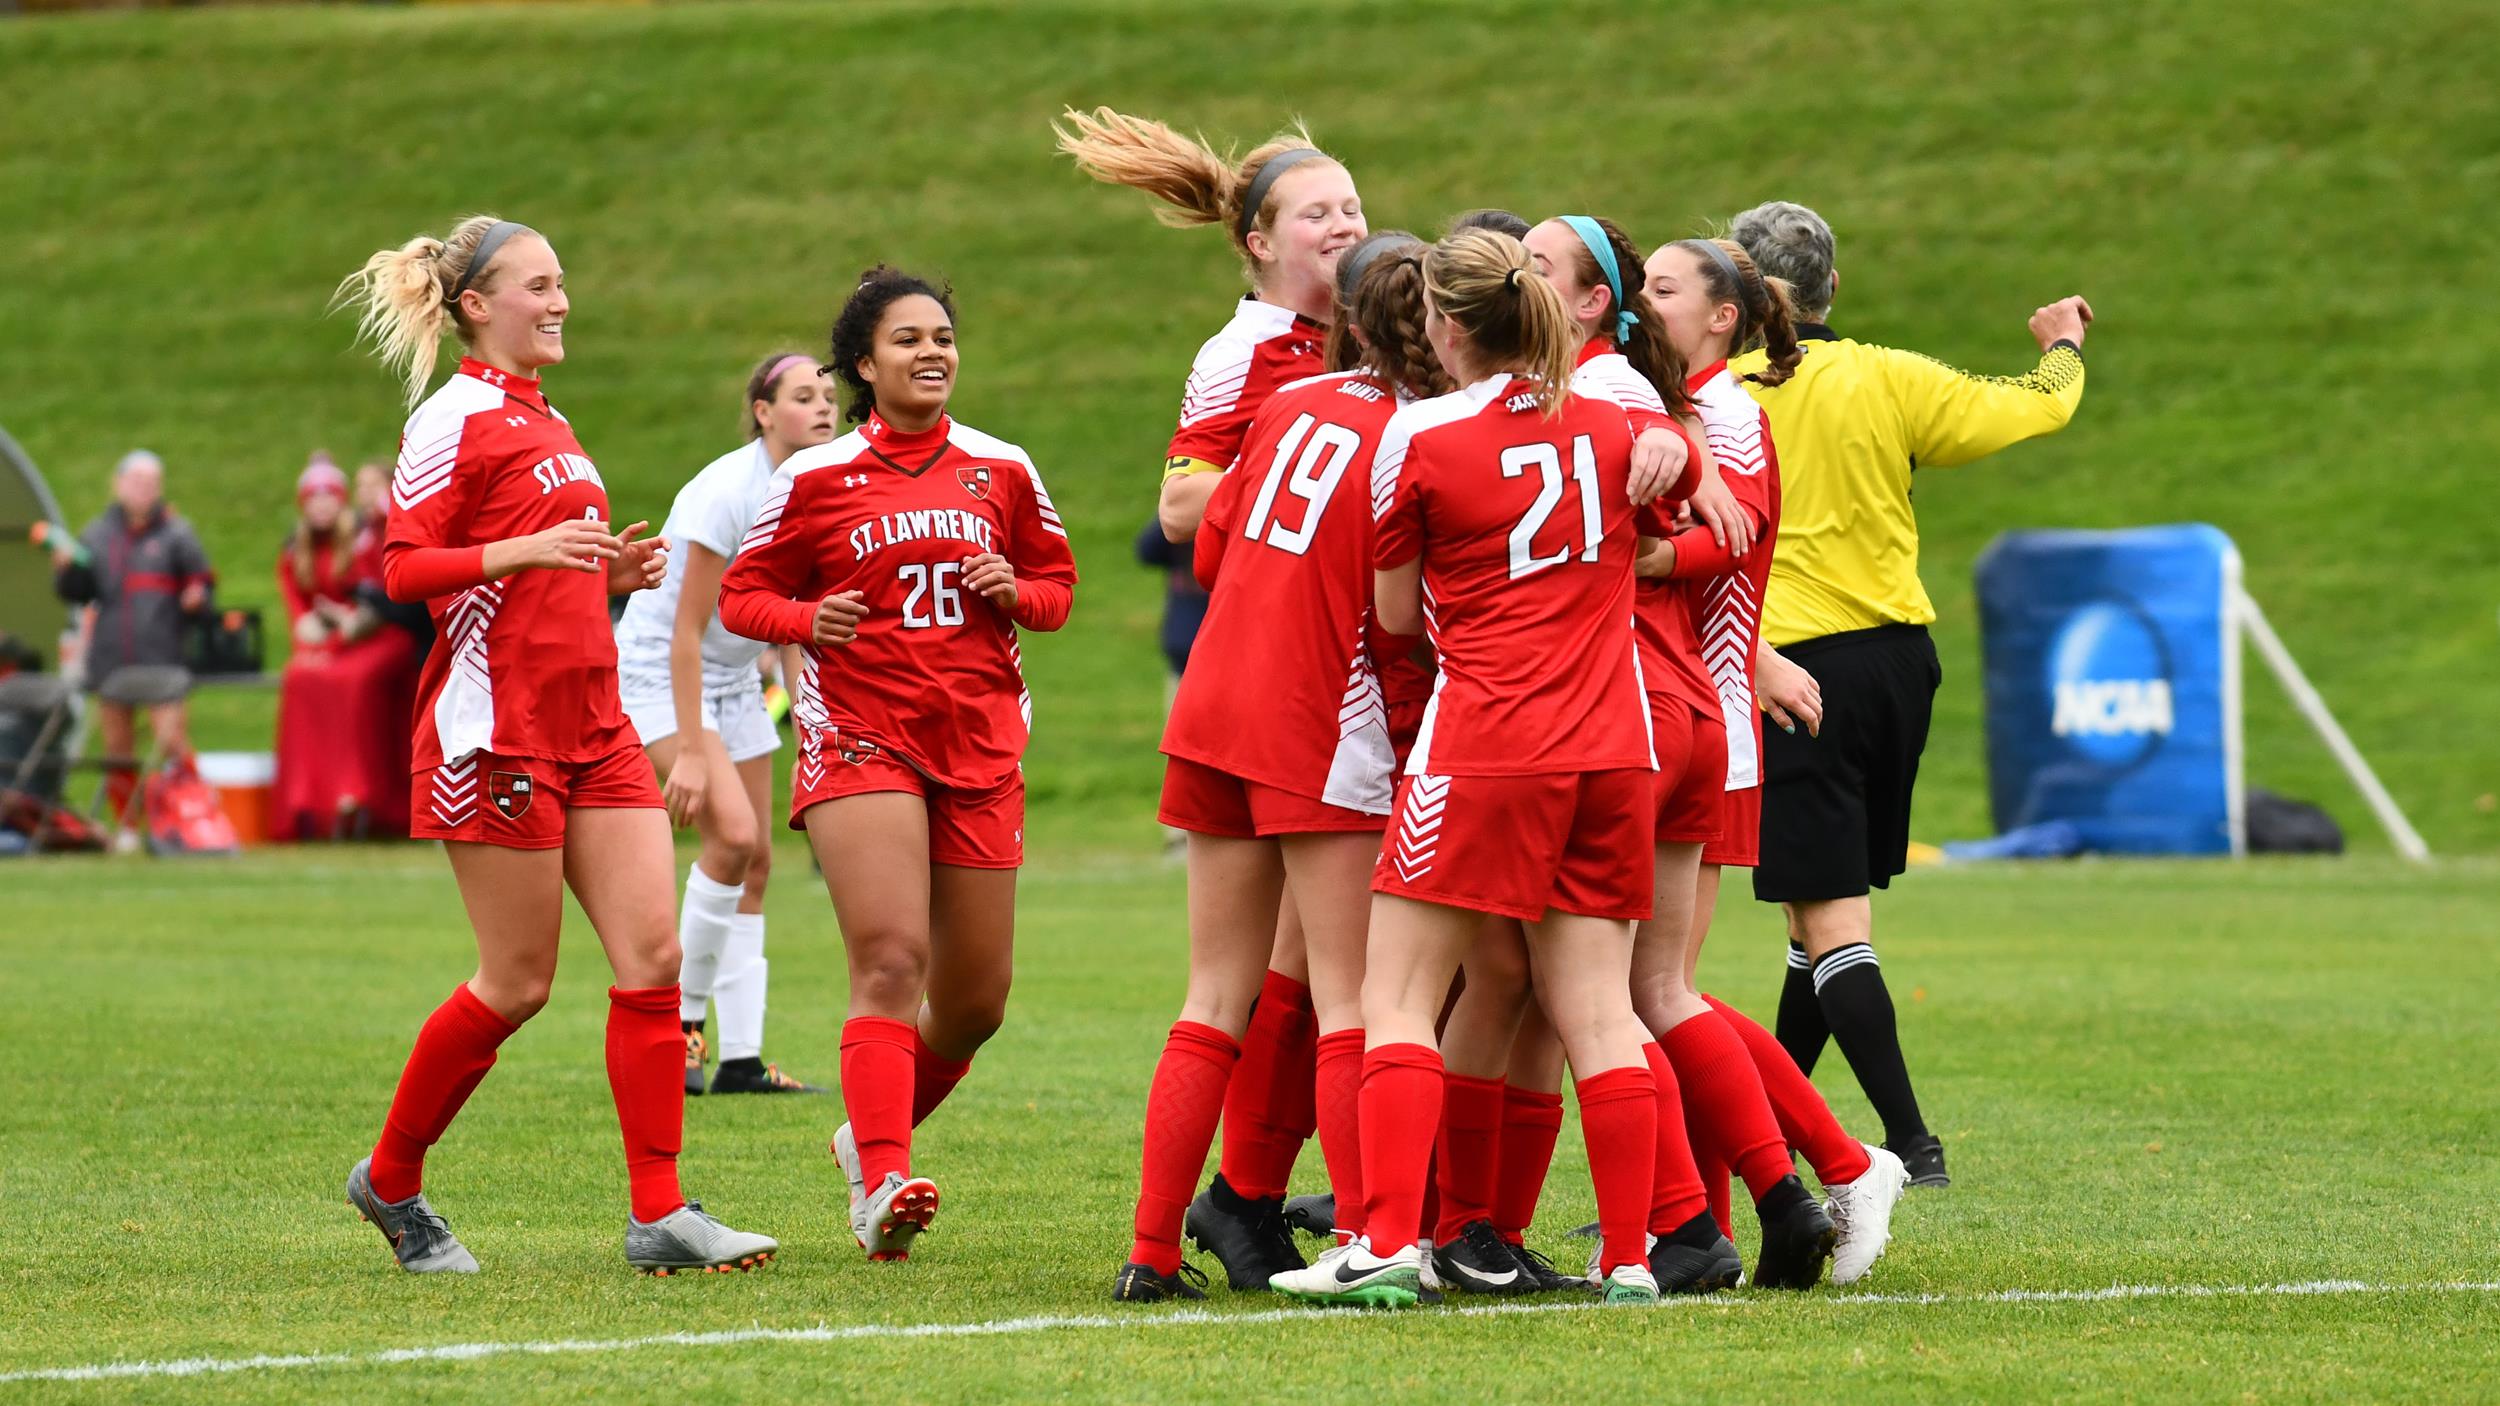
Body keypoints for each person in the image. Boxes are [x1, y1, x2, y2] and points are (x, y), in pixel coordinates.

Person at [335, 213, 777, 1276]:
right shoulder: (450, 416)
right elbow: (402, 571)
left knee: (656, 958)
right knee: (517, 980)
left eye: (561, 281)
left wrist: (604, 571)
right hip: (495, 733)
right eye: (538, 285)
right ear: (477, 305)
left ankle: (660, 1210)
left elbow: (536, 576)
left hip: (593, 725)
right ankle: (390, 1177)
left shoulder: (551, 417)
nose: (560, 299)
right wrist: (526, 545)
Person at [1270, 229, 1670, 1308]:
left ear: (1444, 326)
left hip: (1488, 738)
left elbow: (1396, 615)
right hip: (1615, 743)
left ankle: (1387, 1240)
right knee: (1595, 1006)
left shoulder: (1419, 432)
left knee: (1397, 992)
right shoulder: (1616, 417)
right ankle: (1629, 1255)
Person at [1113, 231, 1449, 1303]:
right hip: (1318, 717)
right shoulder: (1421, 430)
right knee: (1356, 997)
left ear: (1348, 319)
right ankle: (1365, 1240)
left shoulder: (1290, 403)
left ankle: (1150, 1253)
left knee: (1215, 991)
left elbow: (1205, 551)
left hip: (1215, 703)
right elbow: (1404, 616)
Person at [1728, 200, 2092, 1188]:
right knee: (1814, 925)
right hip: (1898, 664)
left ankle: (1911, 1142)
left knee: (1831, 921)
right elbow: (2033, 403)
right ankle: (1750, 1143)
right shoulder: (1889, 376)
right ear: (1830, 289)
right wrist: (2060, 346)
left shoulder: (1713, 398)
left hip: (1791, 670)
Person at [1056, 107, 1366, 1263]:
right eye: (1316, 213)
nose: (1343, 225)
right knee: (1331, 983)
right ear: (1257, 244)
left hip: (1273, 693)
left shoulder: (1362, 339)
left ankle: (1218, 1213)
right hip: (1297, 694)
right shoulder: (1252, 354)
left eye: (1351, 207)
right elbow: (1181, 507)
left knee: (1281, 976)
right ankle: (1375, 1223)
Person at [718, 267, 1077, 1263]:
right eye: (908, 339)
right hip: (861, 733)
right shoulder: (814, 476)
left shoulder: (1001, 466)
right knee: (889, 960)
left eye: (943, 337)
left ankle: (862, 1136)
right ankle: (881, 1180)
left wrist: (1017, 589)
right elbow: (745, 596)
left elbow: (1057, 588)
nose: (932, 352)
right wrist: (804, 618)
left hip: (980, 739)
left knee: (974, 1002)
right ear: (865, 364)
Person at [1638, 234, 1911, 1286]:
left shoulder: (1724, 416)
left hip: (1697, 728)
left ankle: (1837, 1168)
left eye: (1660, 290)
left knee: (1653, 988)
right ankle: (1703, 1216)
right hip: (1670, 715)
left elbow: (1731, 543)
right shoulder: (1667, 405)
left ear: (1721, 317)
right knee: (1652, 991)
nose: (1636, 305)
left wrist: (1669, 564)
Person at [614, 353, 838, 1098]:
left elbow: (783, 617)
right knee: (732, 838)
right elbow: (683, 631)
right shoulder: (724, 492)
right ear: (764, 412)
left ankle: (740, 1059)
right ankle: (678, 1029)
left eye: (829, 395)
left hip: (736, 675)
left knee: (759, 858)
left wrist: (808, 708)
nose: (823, 406)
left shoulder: (818, 487)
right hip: (661, 667)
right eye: (803, 396)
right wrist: (688, 755)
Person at [48, 449, 213, 826]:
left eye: (151, 482)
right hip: (111, 658)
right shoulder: (97, 533)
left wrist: (196, 598)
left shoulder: (177, 533)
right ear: (118, 484)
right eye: (137, 481)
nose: (144, 489)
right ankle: (127, 825)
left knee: (171, 741)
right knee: (117, 750)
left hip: (163, 657)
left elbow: (201, 584)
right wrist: (65, 571)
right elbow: (78, 591)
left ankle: (193, 814)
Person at [272, 451, 423, 839]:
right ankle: (310, 798)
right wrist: (318, 638)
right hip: (341, 639)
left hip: (382, 635)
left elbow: (377, 597)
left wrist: (340, 631)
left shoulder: (366, 535)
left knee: (350, 682)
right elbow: (298, 611)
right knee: (300, 677)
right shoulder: (297, 552)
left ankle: (357, 792)